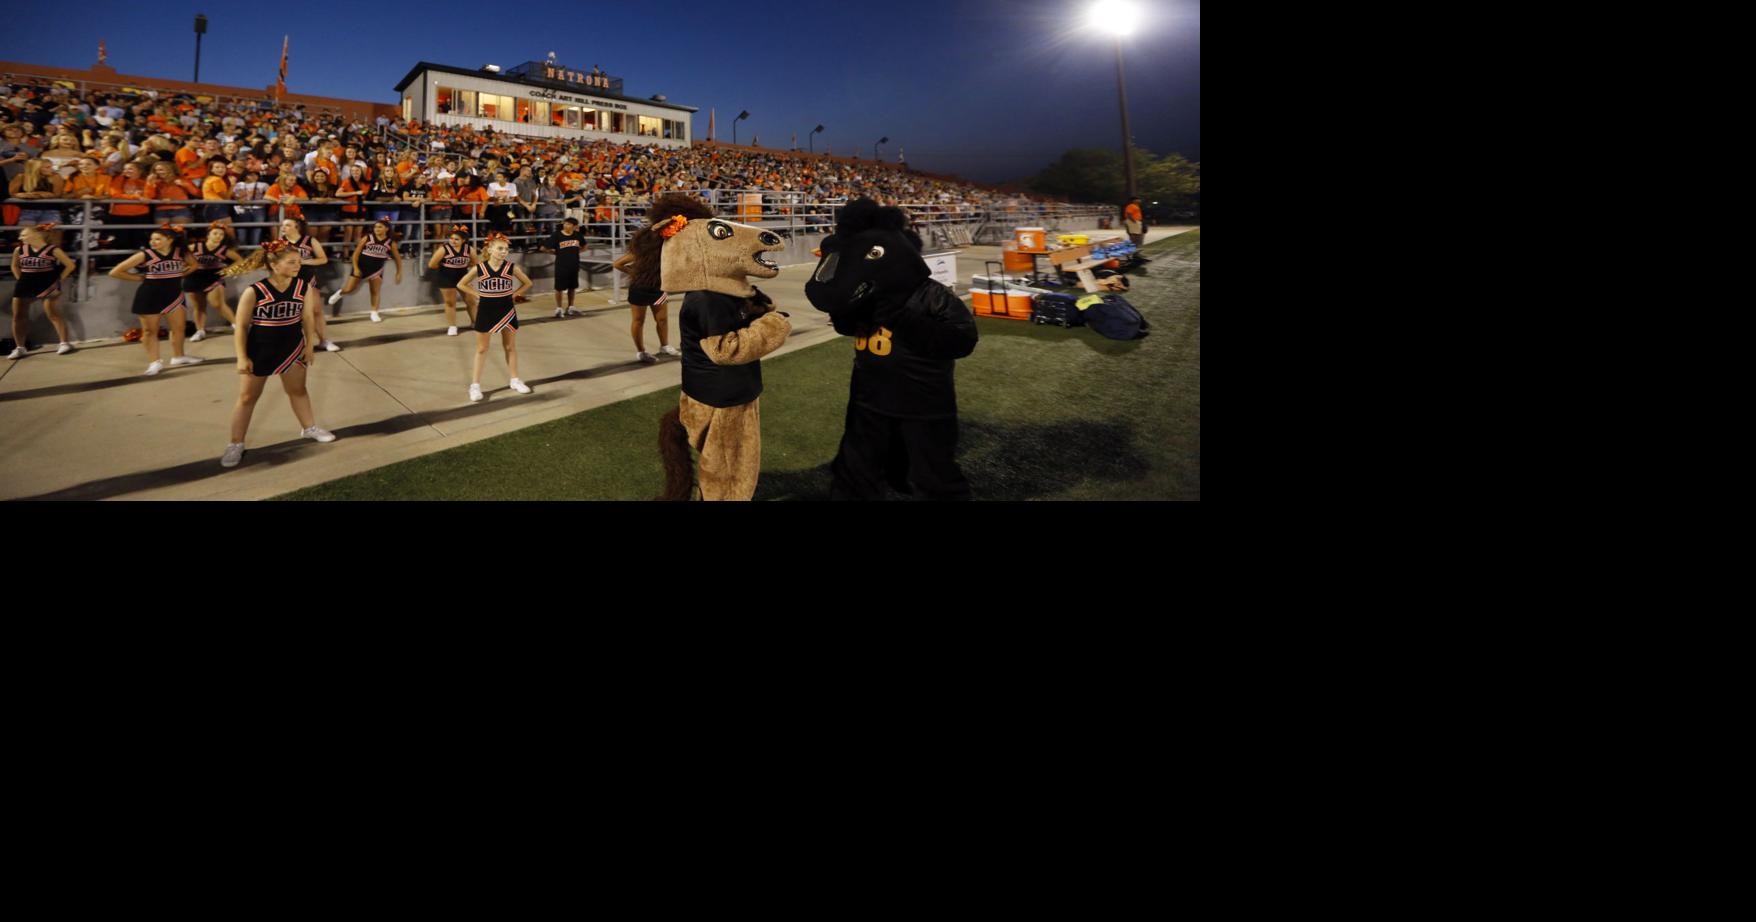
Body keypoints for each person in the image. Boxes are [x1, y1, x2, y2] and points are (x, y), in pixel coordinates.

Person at [216, 239, 336, 468]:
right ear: (274, 263)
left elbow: (308, 318)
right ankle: (235, 443)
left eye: (299, 262)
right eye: (292, 262)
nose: (297, 266)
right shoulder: (255, 291)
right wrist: (242, 357)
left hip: (292, 346)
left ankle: (309, 427)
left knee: (298, 390)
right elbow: (241, 327)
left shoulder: (304, 287)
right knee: (248, 398)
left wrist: (309, 346)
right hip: (260, 348)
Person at [108, 224, 204, 375]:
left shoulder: (181, 252)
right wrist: (140, 277)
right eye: (152, 239)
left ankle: (179, 356)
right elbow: (115, 272)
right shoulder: (145, 255)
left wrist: (181, 274)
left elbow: (194, 264)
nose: (153, 242)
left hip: (174, 296)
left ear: (170, 240)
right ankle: (155, 362)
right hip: (150, 296)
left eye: (158, 239)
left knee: (179, 328)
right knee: (149, 331)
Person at [455, 232, 532, 402]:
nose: (504, 252)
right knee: (482, 349)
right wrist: (477, 294)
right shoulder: (480, 268)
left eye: (506, 249)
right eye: (500, 248)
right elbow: (461, 284)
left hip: (507, 310)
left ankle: (514, 380)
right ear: (489, 249)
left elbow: (528, 283)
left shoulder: (512, 268)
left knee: (510, 347)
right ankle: (474, 386)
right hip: (486, 311)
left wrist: (515, 294)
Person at [7, 222, 76, 358]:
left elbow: (70, 265)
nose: (20, 237)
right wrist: (20, 279)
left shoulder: (53, 250)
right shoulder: (19, 250)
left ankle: (64, 343)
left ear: (37, 235)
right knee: (18, 316)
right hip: (25, 283)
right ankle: (20, 347)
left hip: (48, 284)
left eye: (24, 235)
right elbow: (14, 266)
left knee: (53, 314)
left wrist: (59, 280)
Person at [276, 216, 339, 351]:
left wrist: (304, 262)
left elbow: (323, 259)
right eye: (283, 225)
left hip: (308, 279)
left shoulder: (310, 240)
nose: (283, 228)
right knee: (288, 312)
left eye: (287, 225)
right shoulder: (280, 243)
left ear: (296, 227)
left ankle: (324, 341)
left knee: (316, 310)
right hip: (287, 281)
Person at [326, 218, 402, 322]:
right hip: (361, 267)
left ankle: (374, 313)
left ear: (387, 229)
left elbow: (397, 258)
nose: (377, 229)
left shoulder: (390, 242)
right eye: (375, 227)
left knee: (375, 291)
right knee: (349, 289)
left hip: (376, 270)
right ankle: (340, 293)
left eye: (380, 227)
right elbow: (355, 255)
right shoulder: (367, 238)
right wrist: (356, 268)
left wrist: (398, 272)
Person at [183, 220, 242, 338]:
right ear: (208, 235)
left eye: (221, 234)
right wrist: (184, 268)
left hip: (213, 277)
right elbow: (180, 257)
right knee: (199, 306)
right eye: (215, 233)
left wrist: (228, 271)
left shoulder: (224, 250)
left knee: (217, 304)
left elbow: (240, 260)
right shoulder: (194, 247)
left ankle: (237, 326)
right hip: (194, 277)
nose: (218, 236)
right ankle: (200, 331)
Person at [428, 225, 478, 336]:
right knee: (450, 303)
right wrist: (445, 268)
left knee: (471, 301)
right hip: (446, 277)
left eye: (456, 239)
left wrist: (462, 265)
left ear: (463, 240)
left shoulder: (469, 249)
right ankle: (452, 326)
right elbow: (432, 264)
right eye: (451, 238)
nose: (453, 241)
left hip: (463, 277)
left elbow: (475, 263)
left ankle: (475, 322)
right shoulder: (443, 249)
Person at [543, 216, 585, 317]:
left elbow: (584, 246)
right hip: (561, 265)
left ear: (575, 226)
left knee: (572, 287)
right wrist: (556, 253)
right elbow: (544, 248)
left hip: (574, 265)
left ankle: (571, 307)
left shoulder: (578, 235)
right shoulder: (556, 235)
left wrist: (575, 252)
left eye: (568, 224)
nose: (565, 225)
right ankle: (559, 309)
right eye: (565, 223)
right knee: (559, 288)